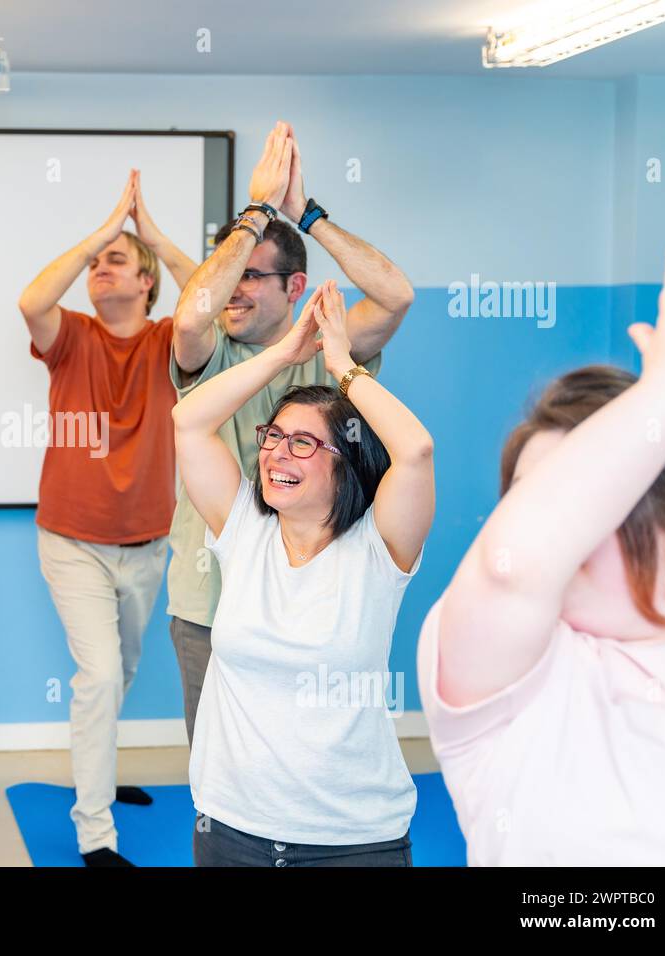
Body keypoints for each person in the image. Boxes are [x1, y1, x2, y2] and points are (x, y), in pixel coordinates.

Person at [417, 227, 665, 866]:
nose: (555, 529)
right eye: (528, 498)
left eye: (582, 497)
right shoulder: (518, 672)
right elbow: (509, 568)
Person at [168, 120, 415, 745]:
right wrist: (254, 212)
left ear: (294, 287)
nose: (234, 289)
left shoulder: (329, 340)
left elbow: (395, 296)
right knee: (217, 757)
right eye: (230, 272)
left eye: (252, 275)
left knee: (312, 744)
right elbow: (193, 311)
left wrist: (306, 214)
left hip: (322, 587)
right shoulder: (210, 349)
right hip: (210, 595)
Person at [173, 280, 435, 867]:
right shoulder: (243, 532)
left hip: (351, 840)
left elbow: (414, 450)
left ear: (347, 461)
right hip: (230, 828)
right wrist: (287, 353)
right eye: (274, 437)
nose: (275, 454)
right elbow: (189, 421)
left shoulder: (379, 550)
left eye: (302, 443)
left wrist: (341, 364)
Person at [18, 170, 199, 866]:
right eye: (95, 264)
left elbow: (205, 301)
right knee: (97, 675)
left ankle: (99, 766)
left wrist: (151, 236)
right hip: (72, 539)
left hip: (148, 542)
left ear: (148, 281)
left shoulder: (168, 342)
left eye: (116, 262)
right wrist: (102, 233)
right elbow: (31, 298)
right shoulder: (71, 336)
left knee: (118, 670)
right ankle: (95, 831)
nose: (99, 269)